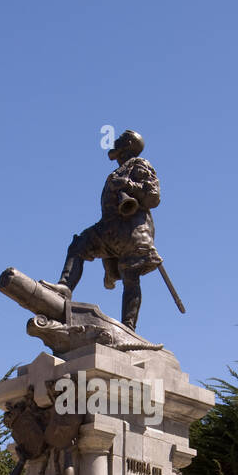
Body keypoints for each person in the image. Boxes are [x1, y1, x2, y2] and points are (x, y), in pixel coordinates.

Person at [45, 129, 163, 332]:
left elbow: (153, 197)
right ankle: (65, 287)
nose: (115, 142)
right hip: (110, 229)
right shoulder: (120, 170)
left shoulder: (139, 165)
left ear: (128, 144)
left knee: (130, 276)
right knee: (79, 245)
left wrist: (127, 184)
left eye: (120, 139)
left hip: (131, 233)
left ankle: (128, 327)